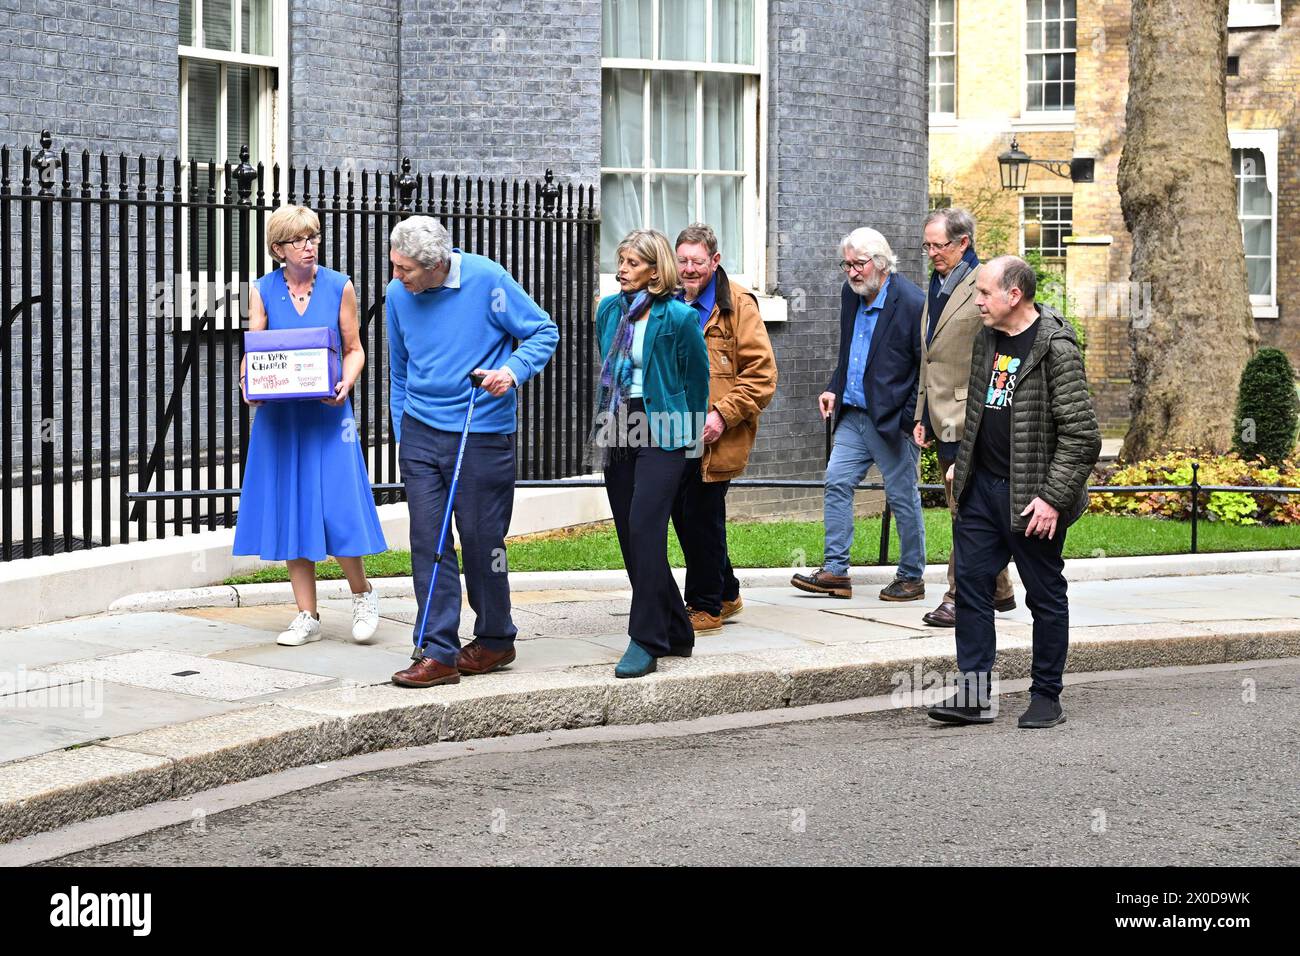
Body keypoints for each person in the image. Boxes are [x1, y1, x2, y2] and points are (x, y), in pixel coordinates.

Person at [386, 217, 559, 689]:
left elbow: (544, 332)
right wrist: (403, 425)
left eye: (406, 270)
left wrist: (512, 371)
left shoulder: (488, 280)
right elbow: (398, 368)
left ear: (436, 264)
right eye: (395, 266)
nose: (398, 278)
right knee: (429, 540)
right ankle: (436, 650)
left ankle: (496, 637)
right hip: (420, 433)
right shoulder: (398, 296)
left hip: (480, 432)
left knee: (484, 543)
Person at [929, 255, 1100, 729]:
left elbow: (1082, 437)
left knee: (1044, 597)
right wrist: (962, 471)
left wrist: (1051, 497)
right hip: (982, 490)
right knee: (972, 590)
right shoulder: (988, 339)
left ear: (1014, 295)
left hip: (1033, 496)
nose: (977, 301)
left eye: (984, 293)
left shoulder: (1056, 348)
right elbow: (983, 411)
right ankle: (975, 695)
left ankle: (1046, 695)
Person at [233, 205, 387, 646]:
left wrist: (347, 382)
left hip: (328, 415)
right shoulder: (262, 290)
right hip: (280, 420)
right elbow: (256, 350)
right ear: (278, 249)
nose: (309, 246)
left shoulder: (340, 286)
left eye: (314, 237)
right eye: (299, 240)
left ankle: (363, 593)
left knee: (335, 508)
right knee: (293, 510)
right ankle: (307, 615)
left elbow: (355, 348)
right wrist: (247, 381)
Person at [593, 228, 709, 679]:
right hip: (619, 421)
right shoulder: (608, 311)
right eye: (621, 261)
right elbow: (608, 369)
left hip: (665, 426)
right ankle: (677, 628)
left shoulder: (677, 317)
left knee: (645, 527)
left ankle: (645, 639)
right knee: (628, 532)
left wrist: (691, 442)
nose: (622, 269)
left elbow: (697, 380)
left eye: (633, 263)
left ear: (655, 270)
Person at [791, 228, 926, 601]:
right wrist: (833, 387)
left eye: (858, 264)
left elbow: (925, 368)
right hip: (853, 414)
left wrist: (911, 418)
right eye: (846, 264)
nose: (851, 272)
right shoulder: (850, 296)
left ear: (880, 264)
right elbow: (848, 352)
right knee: (836, 481)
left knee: (901, 497)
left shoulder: (913, 303)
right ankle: (835, 571)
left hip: (892, 421)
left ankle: (912, 576)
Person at [670, 223, 778, 634]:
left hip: (717, 433)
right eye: (682, 261)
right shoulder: (672, 300)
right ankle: (727, 590)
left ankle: (705, 605)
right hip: (674, 429)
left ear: (715, 261)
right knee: (687, 512)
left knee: (699, 512)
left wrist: (721, 415)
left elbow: (762, 376)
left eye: (697, 261)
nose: (689, 269)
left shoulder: (740, 306)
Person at [912, 208, 1016, 627]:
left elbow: (1002, 346)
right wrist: (920, 413)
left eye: (939, 246)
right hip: (938, 414)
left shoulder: (984, 285)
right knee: (970, 506)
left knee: (963, 511)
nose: (932, 253)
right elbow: (930, 355)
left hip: (969, 413)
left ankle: (958, 595)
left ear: (963, 244)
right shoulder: (937, 284)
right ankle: (1001, 590)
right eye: (928, 246)